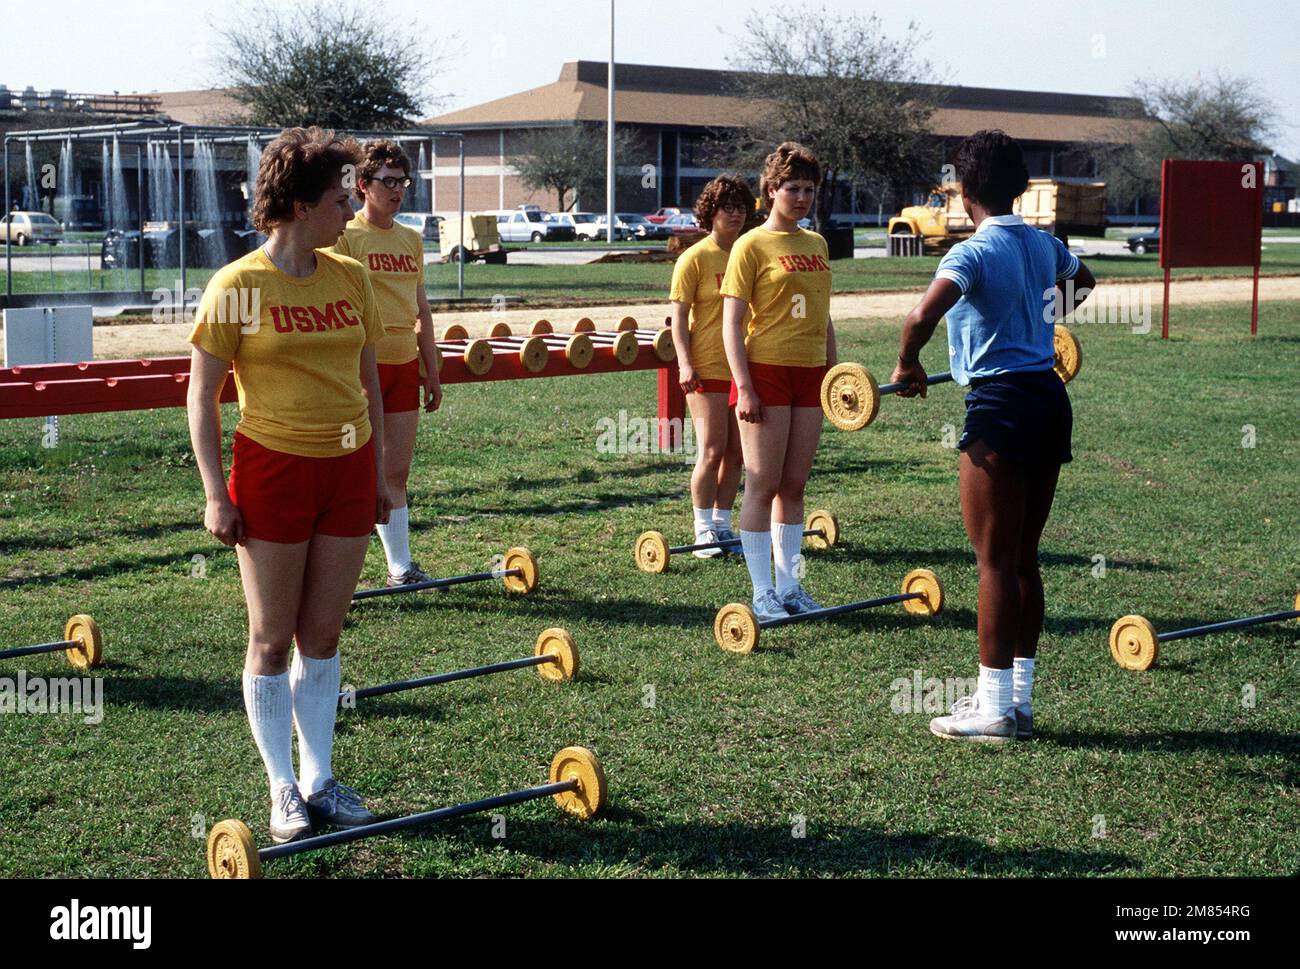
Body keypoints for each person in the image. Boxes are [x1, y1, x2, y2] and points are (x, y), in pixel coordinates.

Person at [186, 126, 392, 843]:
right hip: (272, 469)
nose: (349, 209)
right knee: (273, 638)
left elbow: (366, 372)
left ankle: (320, 778)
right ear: (302, 205)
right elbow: (203, 395)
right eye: (340, 199)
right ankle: (281, 785)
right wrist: (217, 491)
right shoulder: (240, 286)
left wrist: (382, 468)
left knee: (324, 633)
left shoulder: (350, 276)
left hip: (348, 465)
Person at [890, 129, 1095, 743]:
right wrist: (1040, 324)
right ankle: (1017, 702)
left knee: (993, 561)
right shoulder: (1044, 244)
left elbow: (920, 316)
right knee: (1023, 557)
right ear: (1022, 186)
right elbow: (1084, 282)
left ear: (962, 189)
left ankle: (994, 708)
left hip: (1000, 405)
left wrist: (907, 366)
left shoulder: (970, 253)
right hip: (1046, 399)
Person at [720, 143, 836, 620]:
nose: (802, 197)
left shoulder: (817, 244)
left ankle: (790, 587)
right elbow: (731, 324)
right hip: (765, 371)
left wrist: (835, 376)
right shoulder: (750, 245)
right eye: (793, 188)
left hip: (810, 374)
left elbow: (825, 318)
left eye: (809, 189)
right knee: (762, 483)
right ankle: (762, 593)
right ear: (771, 191)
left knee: (794, 484)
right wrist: (744, 386)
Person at [334, 139, 443, 587]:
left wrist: (431, 368)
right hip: (362, 368)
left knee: (395, 471)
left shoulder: (411, 239)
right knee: (358, 472)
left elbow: (422, 307)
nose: (398, 190)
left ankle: (400, 567)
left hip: (404, 365)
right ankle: (334, 573)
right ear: (363, 185)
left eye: (403, 181)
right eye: (388, 181)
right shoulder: (346, 235)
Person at [668, 174, 754, 557]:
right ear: (710, 213)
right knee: (712, 449)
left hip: (745, 369)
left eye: (740, 208)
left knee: (738, 453)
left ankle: (722, 524)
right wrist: (685, 364)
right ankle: (702, 528)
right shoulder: (694, 258)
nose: (734, 215)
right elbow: (678, 320)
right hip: (706, 369)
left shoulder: (750, 252)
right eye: (726, 208)